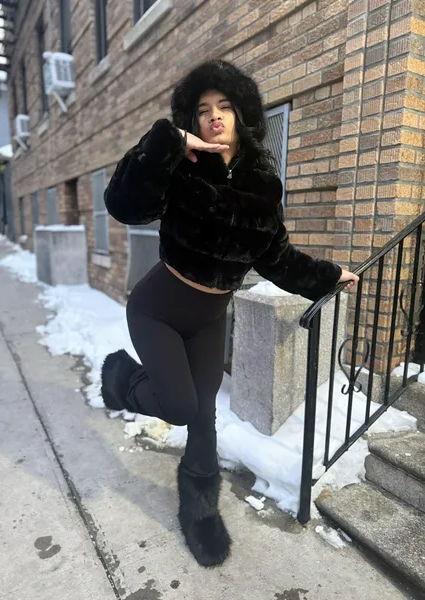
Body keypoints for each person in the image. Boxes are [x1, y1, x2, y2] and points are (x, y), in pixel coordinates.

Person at [101, 60, 359, 568]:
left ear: (241, 115)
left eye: (223, 107)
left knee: (204, 417)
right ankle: (123, 381)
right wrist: (165, 144)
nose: (214, 116)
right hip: (157, 309)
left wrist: (328, 276)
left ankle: (200, 511)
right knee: (179, 406)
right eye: (203, 110)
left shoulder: (263, 185)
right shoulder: (181, 166)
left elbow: (277, 257)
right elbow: (124, 206)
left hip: (210, 317)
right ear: (192, 119)